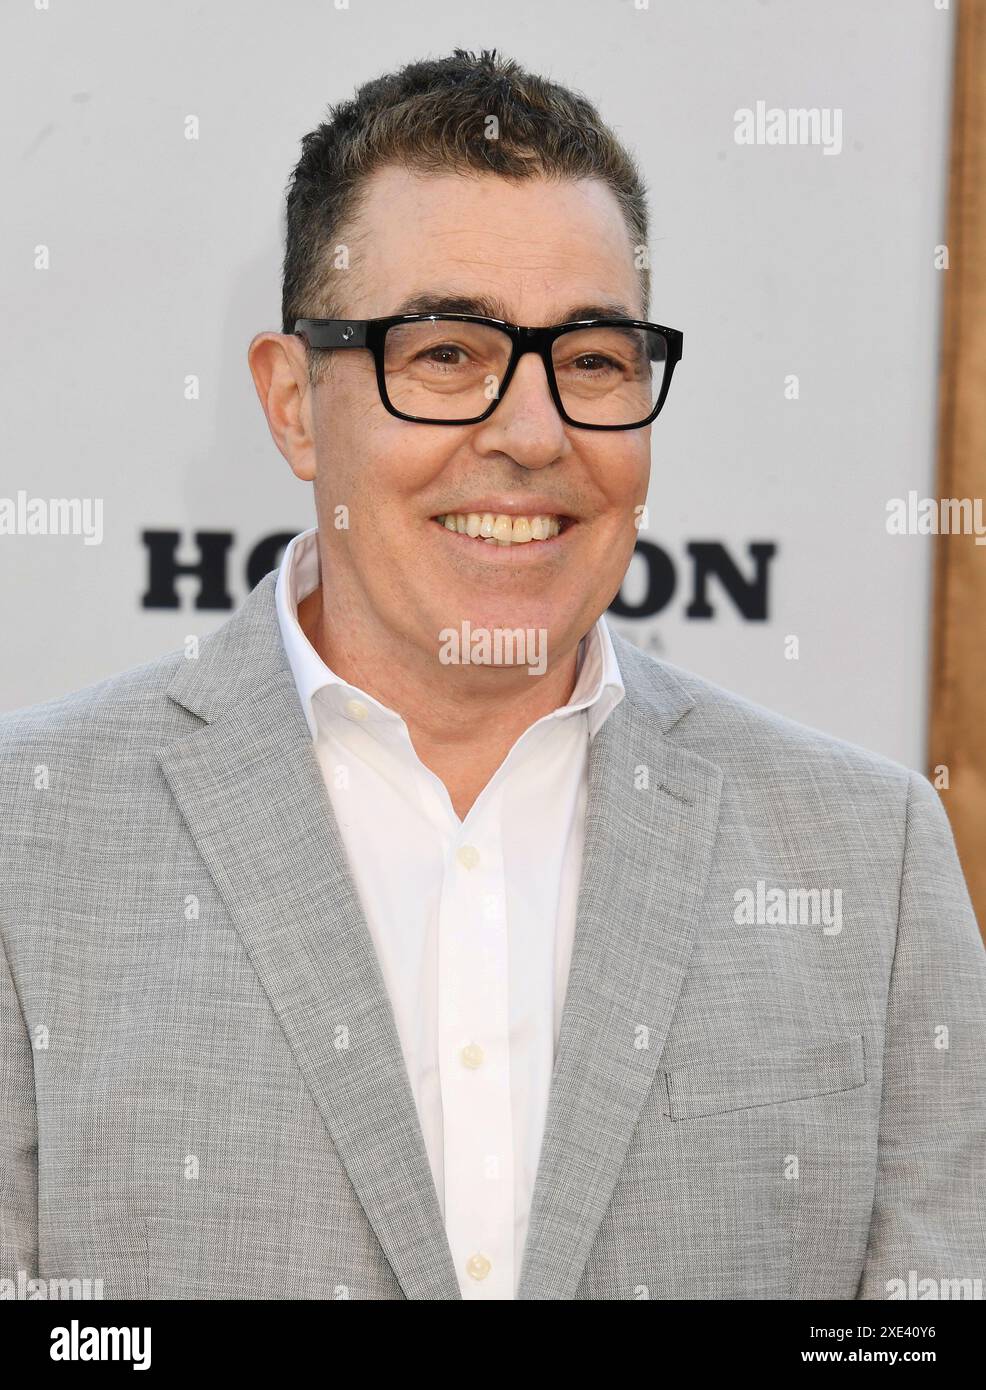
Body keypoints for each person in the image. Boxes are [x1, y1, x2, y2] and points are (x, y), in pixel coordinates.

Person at [1, 48, 983, 1302]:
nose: (530, 434)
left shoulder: (866, 858)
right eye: (449, 352)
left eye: (592, 361)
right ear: (293, 401)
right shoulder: (26, 841)